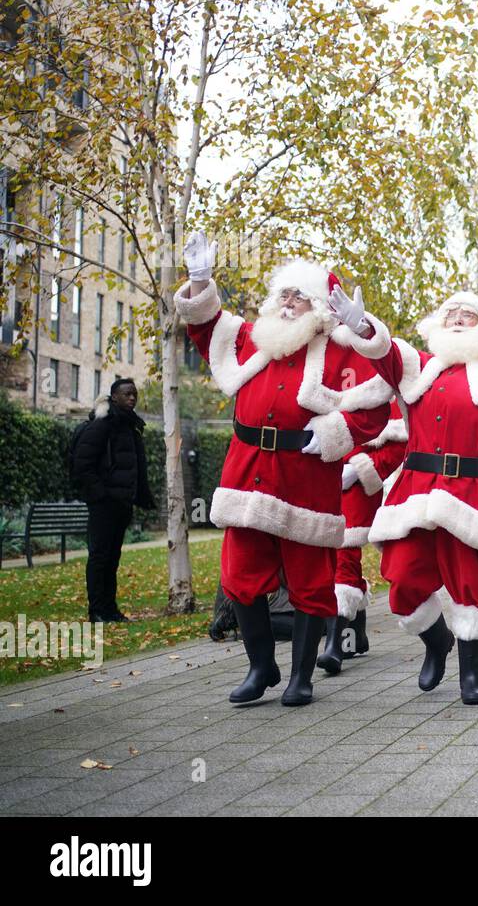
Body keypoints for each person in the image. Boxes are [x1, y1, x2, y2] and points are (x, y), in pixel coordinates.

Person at [174, 232, 393, 706]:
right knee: (239, 578)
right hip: (247, 474)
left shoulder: (340, 350)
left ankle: (302, 677)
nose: (290, 302)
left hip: (305, 479)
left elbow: (375, 404)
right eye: (285, 294)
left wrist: (335, 432)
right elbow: (206, 327)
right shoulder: (256, 336)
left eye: (301, 296)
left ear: (320, 308)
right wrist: (199, 280)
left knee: (312, 585)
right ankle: (261, 667)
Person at [367, 290, 478, 705]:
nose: (459, 319)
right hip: (417, 492)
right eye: (452, 314)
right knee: (403, 579)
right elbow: (386, 356)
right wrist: (363, 327)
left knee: (469, 581)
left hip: (471, 494)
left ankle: (471, 675)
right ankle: (436, 641)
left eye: (469, 314)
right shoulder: (421, 369)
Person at [317, 398, 408, 675]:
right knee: (324, 558)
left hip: (355, 483)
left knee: (344, 552)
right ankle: (355, 636)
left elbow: (399, 442)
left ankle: (333, 646)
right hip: (317, 476)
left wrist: (359, 469)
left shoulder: (377, 381)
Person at [71, 377, 156, 622]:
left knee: (112, 558)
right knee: (99, 556)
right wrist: (101, 495)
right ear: (114, 397)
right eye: (127, 394)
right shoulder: (103, 423)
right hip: (104, 505)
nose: (132, 398)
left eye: (134, 395)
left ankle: (110, 609)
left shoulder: (129, 425)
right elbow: (83, 464)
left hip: (121, 504)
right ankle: (96, 610)